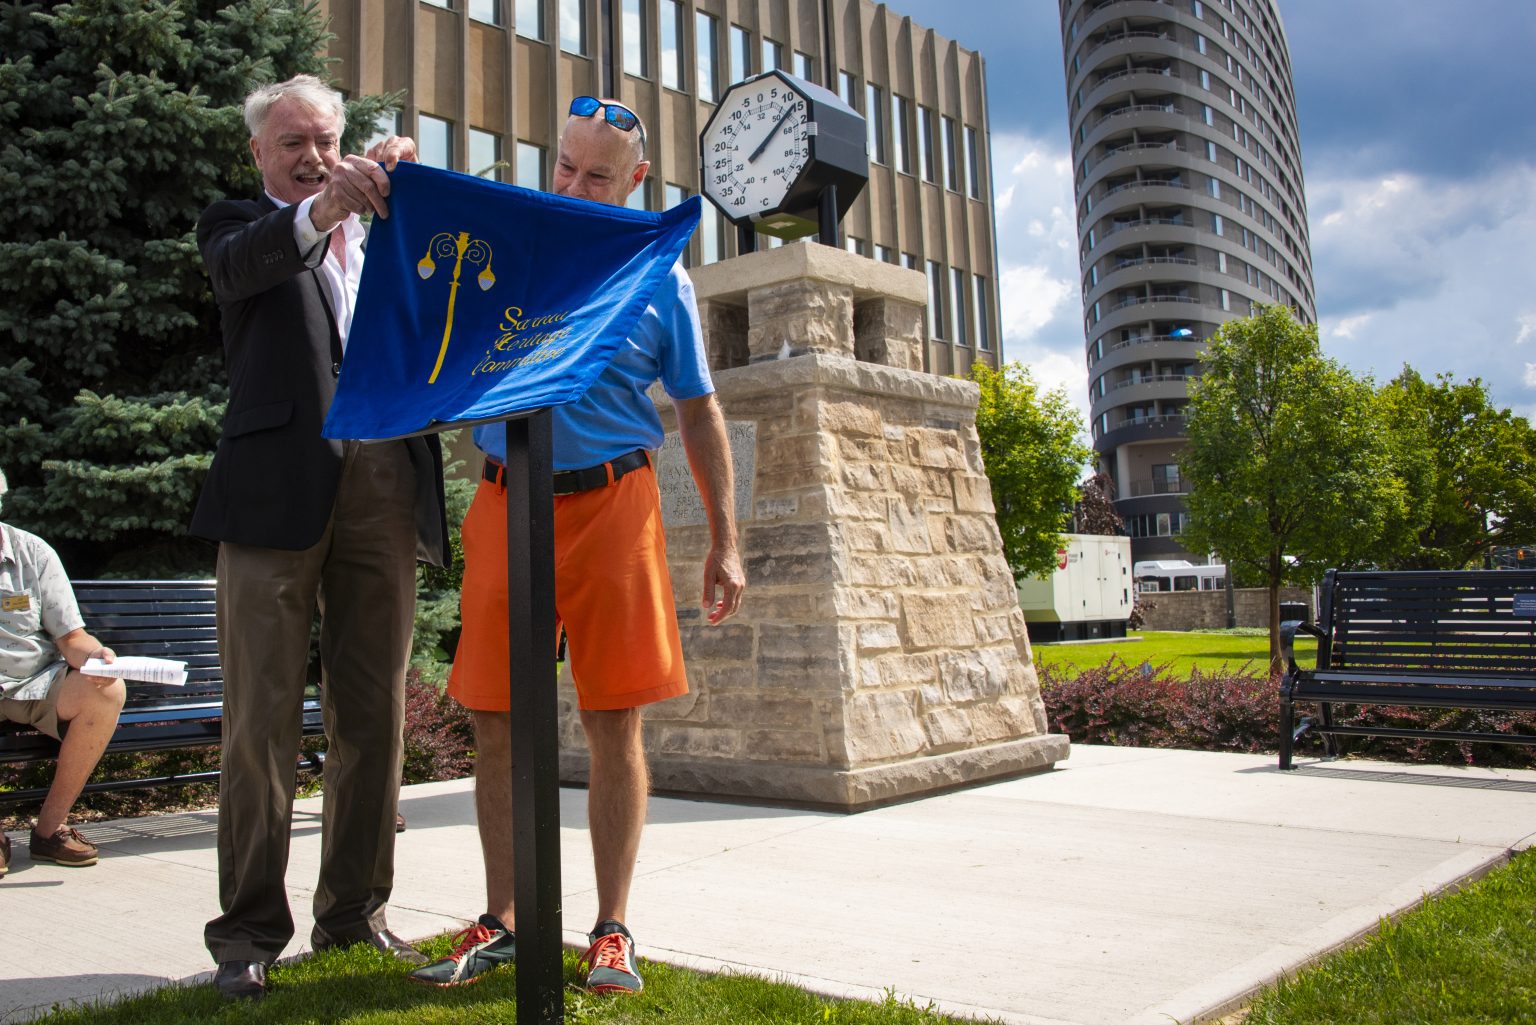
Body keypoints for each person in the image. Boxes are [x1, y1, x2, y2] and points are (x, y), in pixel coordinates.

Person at [407, 96, 745, 994]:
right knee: (494, 717)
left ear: (637, 182)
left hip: (613, 507)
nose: (573, 184)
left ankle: (611, 928)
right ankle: (505, 918)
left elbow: (700, 410)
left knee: (613, 720)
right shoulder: (510, 249)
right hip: (503, 501)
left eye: (597, 174)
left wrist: (725, 540)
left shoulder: (659, 275)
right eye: (564, 165)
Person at [192, 74, 449, 1001]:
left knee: (373, 712)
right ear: (260, 152)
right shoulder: (238, 224)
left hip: (386, 474)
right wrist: (324, 209)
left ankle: (353, 915)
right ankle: (248, 933)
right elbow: (246, 266)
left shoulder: (379, 223)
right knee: (260, 720)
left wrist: (405, 189)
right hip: (272, 496)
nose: (311, 156)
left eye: (326, 139)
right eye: (292, 142)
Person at [0, 468, 125, 876]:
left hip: (31, 683)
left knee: (105, 690)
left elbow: (71, 637)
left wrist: (98, 655)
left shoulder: (32, 552)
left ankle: (49, 830)